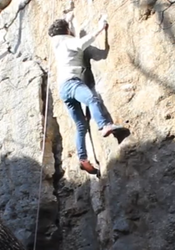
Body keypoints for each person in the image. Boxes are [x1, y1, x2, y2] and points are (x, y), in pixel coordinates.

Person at [48, 15, 130, 174]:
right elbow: (82, 43)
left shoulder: (57, 44)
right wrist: (101, 28)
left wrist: (68, 21)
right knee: (91, 99)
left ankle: (83, 159)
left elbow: (69, 34)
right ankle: (104, 125)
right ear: (66, 31)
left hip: (63, 89)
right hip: (72, 83)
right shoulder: (68, 42)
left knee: (80, 126)